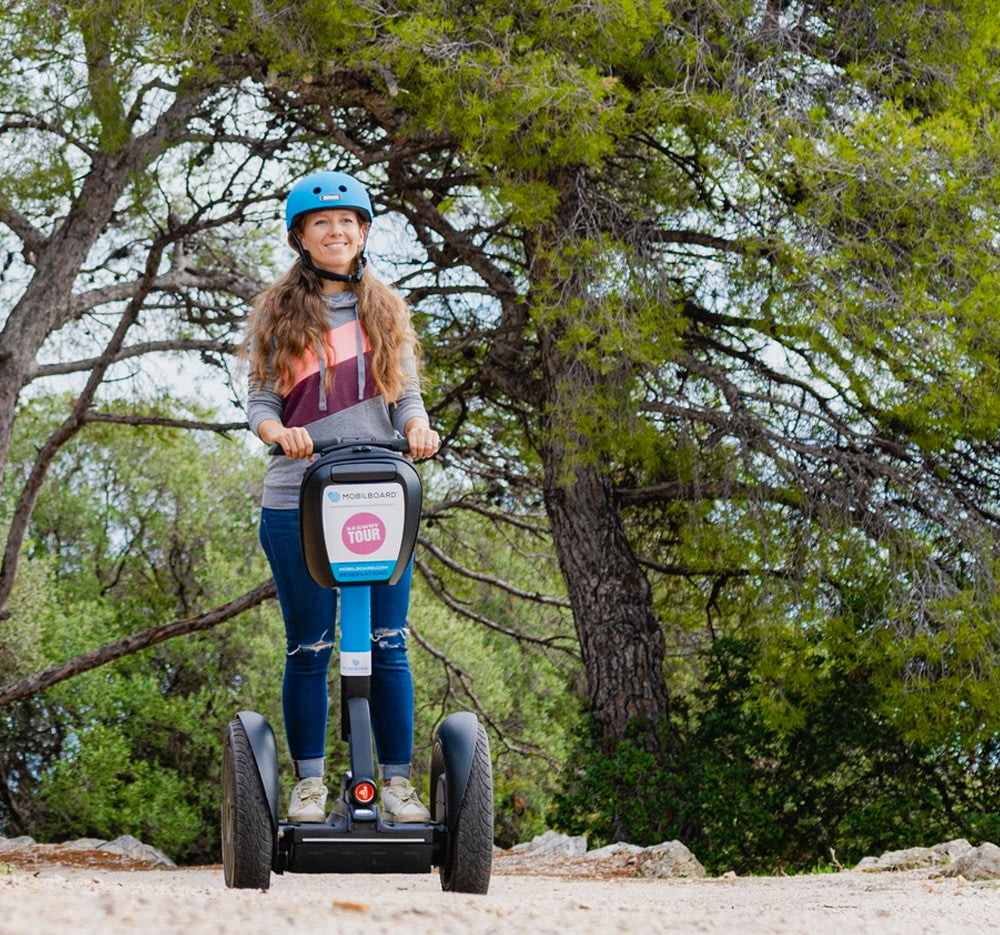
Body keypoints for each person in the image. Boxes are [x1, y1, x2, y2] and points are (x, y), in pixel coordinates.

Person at [242, 169, 440, 823]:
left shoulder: (386, 307)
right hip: (298, 495)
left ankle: (397, 784)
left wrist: (416, 424)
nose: (336, 231)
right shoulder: (279, 310)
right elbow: (262, 401)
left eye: (348, 221)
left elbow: (406, 392)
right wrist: (280, 432)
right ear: (301, 235)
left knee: (388, 640)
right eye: (322, 222)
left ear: (363, 232)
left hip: (379, 493)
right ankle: (308, 783)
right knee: (309, 646)